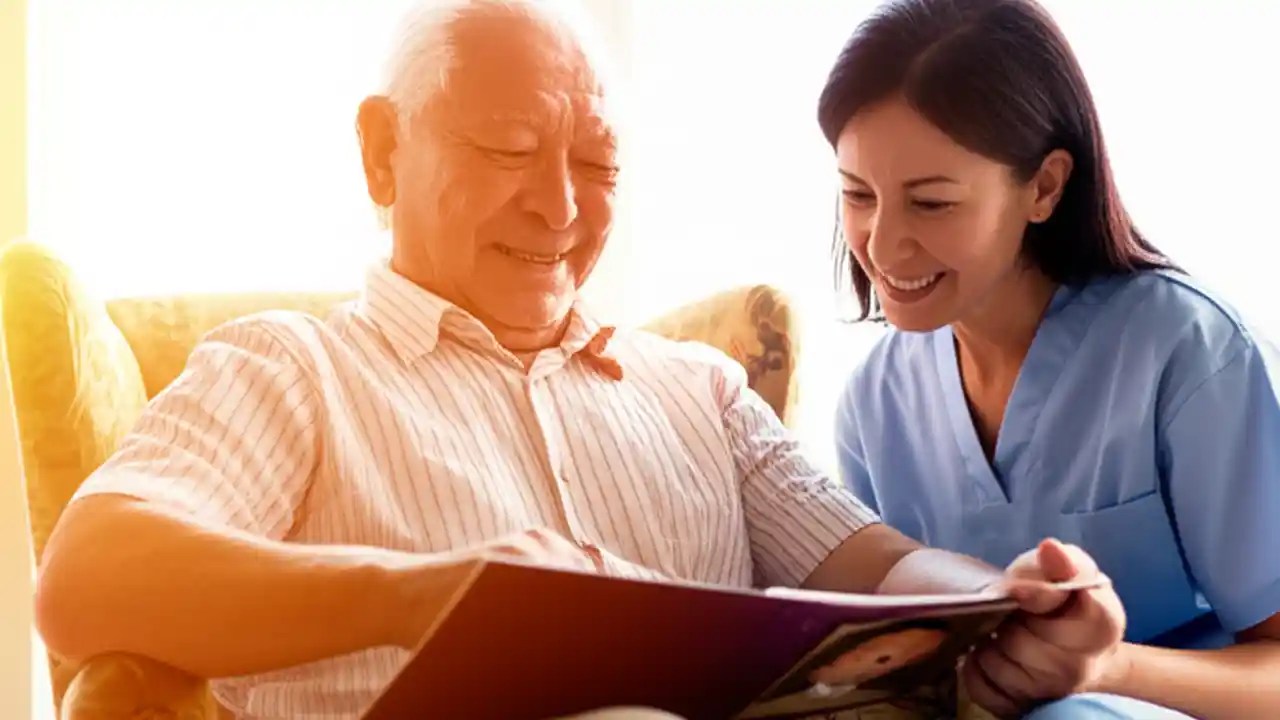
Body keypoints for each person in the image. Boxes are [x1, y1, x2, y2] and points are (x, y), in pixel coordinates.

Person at [35, 1, 1121, 718]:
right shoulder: (289, 368)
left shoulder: (698, 389)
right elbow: (87, 580)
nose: (556, 205)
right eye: (507, 150)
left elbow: (879, 570)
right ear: (383, 152)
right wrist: (436, 596)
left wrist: (1009, 600)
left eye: (595, 162)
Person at [821, 0, 1280, 718]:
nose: (881, 247)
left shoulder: (1191, 355)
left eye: (932, 203)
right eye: (857, 196)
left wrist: (1105, 668)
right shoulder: (875, 402)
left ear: (1044, 186)